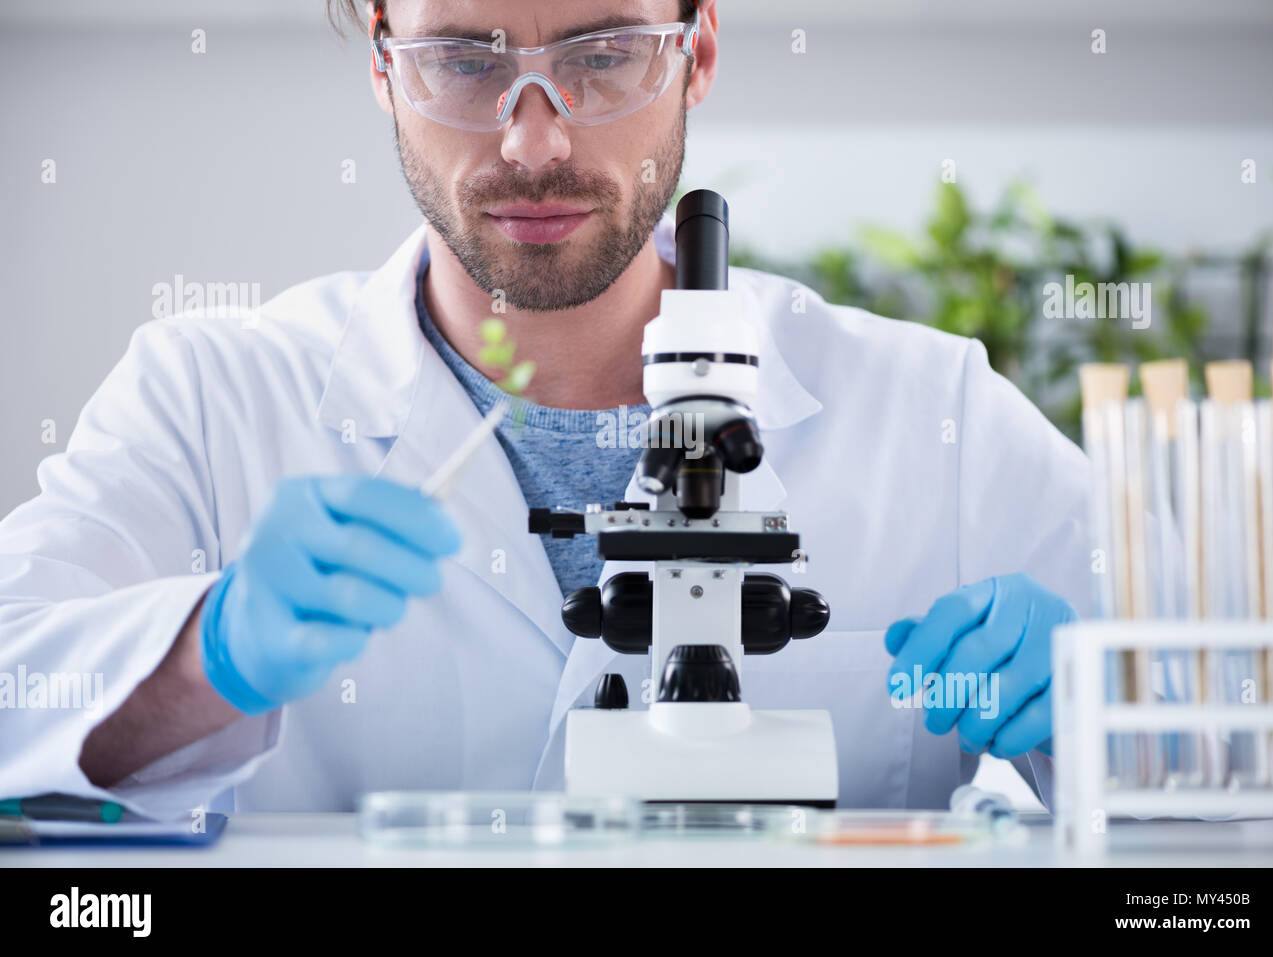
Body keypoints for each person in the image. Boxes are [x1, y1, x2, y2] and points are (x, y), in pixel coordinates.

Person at [0, 0, 1087, 818]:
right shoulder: (206, 400)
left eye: (603, 54)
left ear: (694, 52)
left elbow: (1228, 741)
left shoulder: (933, 412)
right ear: (383, 64)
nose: (533, 144)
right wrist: (209, 655)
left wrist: (1094, 704)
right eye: (463, 62)